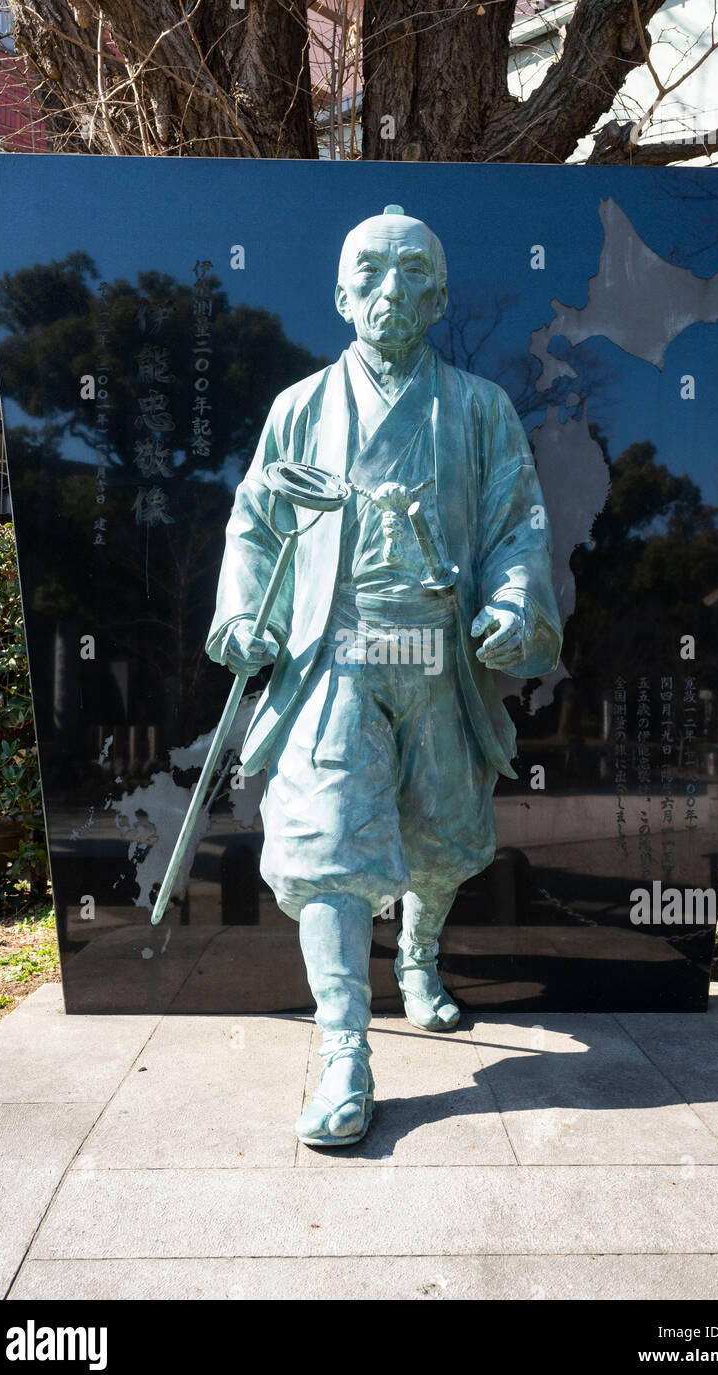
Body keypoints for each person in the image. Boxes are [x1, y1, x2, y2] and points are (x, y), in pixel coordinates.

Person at [206, 205, 562, 1145]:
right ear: (338, 294)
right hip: (335, 653)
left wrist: (513, 607)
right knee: (325, 847)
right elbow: (255, 524)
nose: (389, 291)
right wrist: (246, 617)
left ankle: (415, 952)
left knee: (442, 838)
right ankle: (342, 1049)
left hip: (436, 655)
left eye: (411, 275)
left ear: (439, 298)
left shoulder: (478, 408)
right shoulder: (301, 408)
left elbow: (517, 525)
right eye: (368, 272)